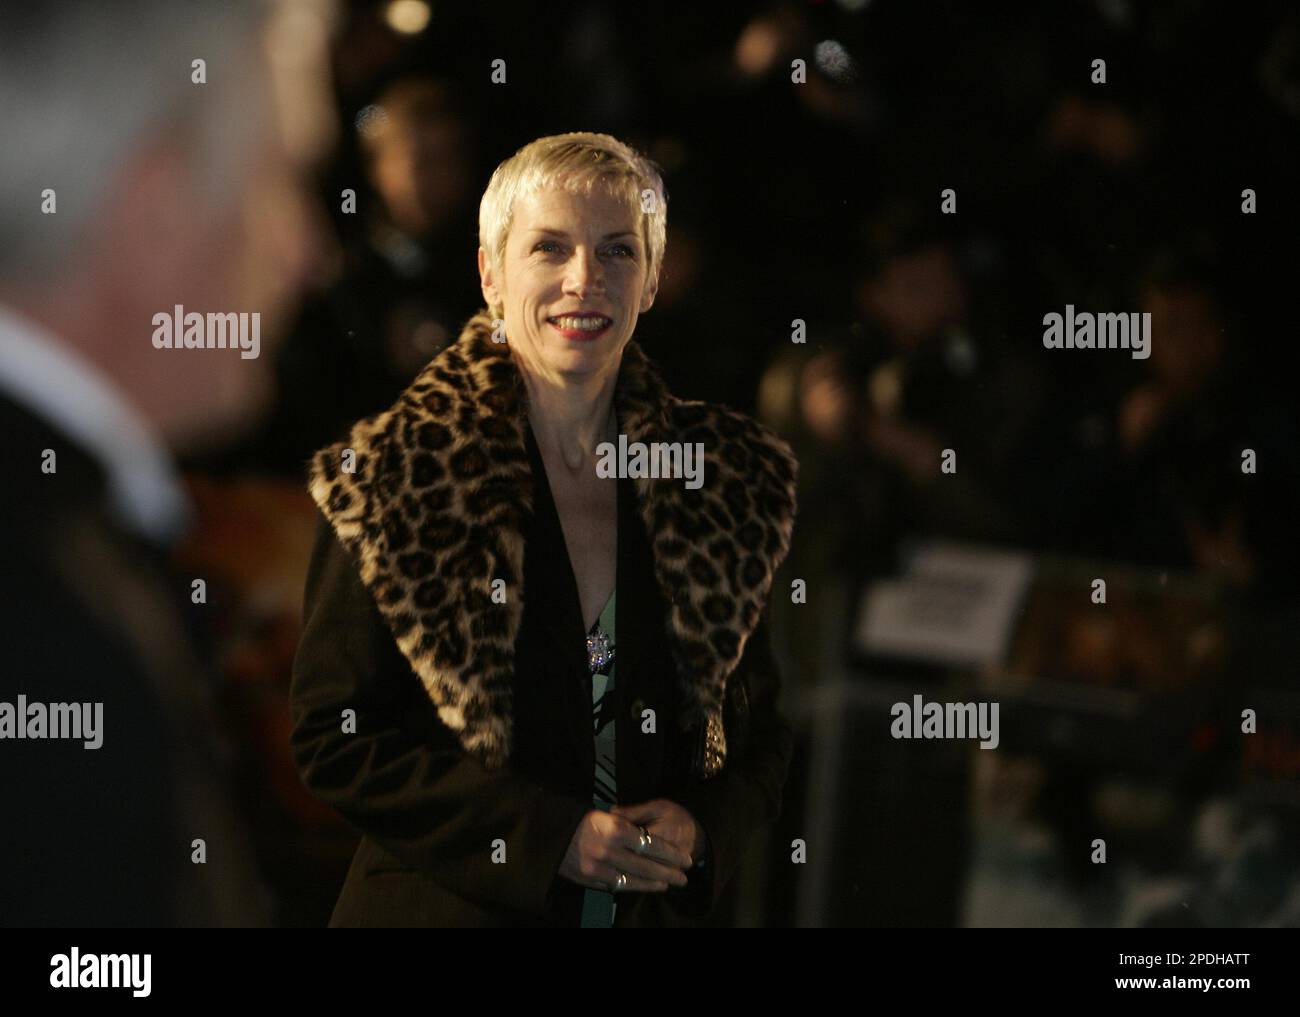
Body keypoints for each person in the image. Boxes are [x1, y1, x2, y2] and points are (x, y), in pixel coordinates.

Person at [289, 132, 800, 927]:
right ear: (492, 274)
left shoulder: (719, 483)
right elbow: (337, 737)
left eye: (617, 250)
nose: (583, 280)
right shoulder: (394, 476)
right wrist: (547, 836)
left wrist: (704, 831)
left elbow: (762, 736)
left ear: (654, 278)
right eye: (549, 248)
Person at [0, 0, 336, 925]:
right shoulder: (44, 614)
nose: (312, 254)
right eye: (286, 179)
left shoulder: (67, 538)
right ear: (154, 209)